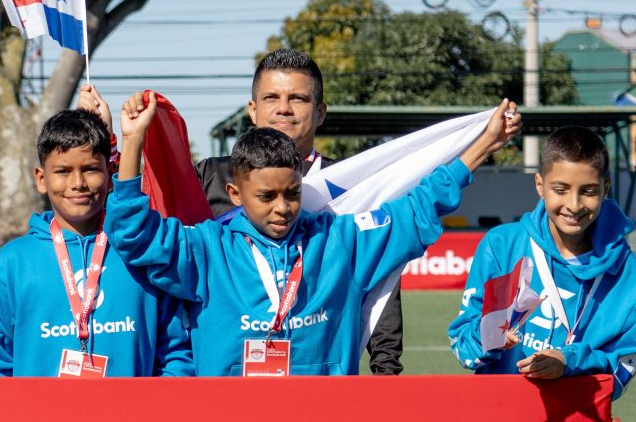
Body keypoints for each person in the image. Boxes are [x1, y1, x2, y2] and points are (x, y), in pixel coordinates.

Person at [108, 92, 519, 377]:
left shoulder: (340, 241)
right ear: (234, 193)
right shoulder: (206, 250)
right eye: (266, 196)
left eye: (292, 193)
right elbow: (133, 232)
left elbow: (418, 207)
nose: (282, 207)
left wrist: (483, 145)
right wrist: (132, 141)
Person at [193, 49, 408, 375]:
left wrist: (385, 368)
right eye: (271, 97)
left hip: (318, 379)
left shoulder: (352, 187)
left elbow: (379, 282)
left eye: (298, 98)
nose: (283, 108)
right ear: (253, 110)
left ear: (320, 112)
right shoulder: (210, 175)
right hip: (227, 379)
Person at [0, 109, 194, 378]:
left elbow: (174, 354)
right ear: (41, 179)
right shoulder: (11, 265)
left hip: (133, 408)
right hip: (37, 409)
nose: (78, 183)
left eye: (90, 169)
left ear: (110, 173)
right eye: (63, 171)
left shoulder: (142, 253)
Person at [449, 125, 636, 392]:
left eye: (589, 191)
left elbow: (625, 364)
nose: (574, 205)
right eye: (561, 189)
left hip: (575, 415)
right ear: (540, 185)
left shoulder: (625, 272)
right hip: (499, 408)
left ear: (606, 188)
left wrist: (571, 362)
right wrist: (489, 337)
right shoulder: (501, 246)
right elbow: (462, 344)